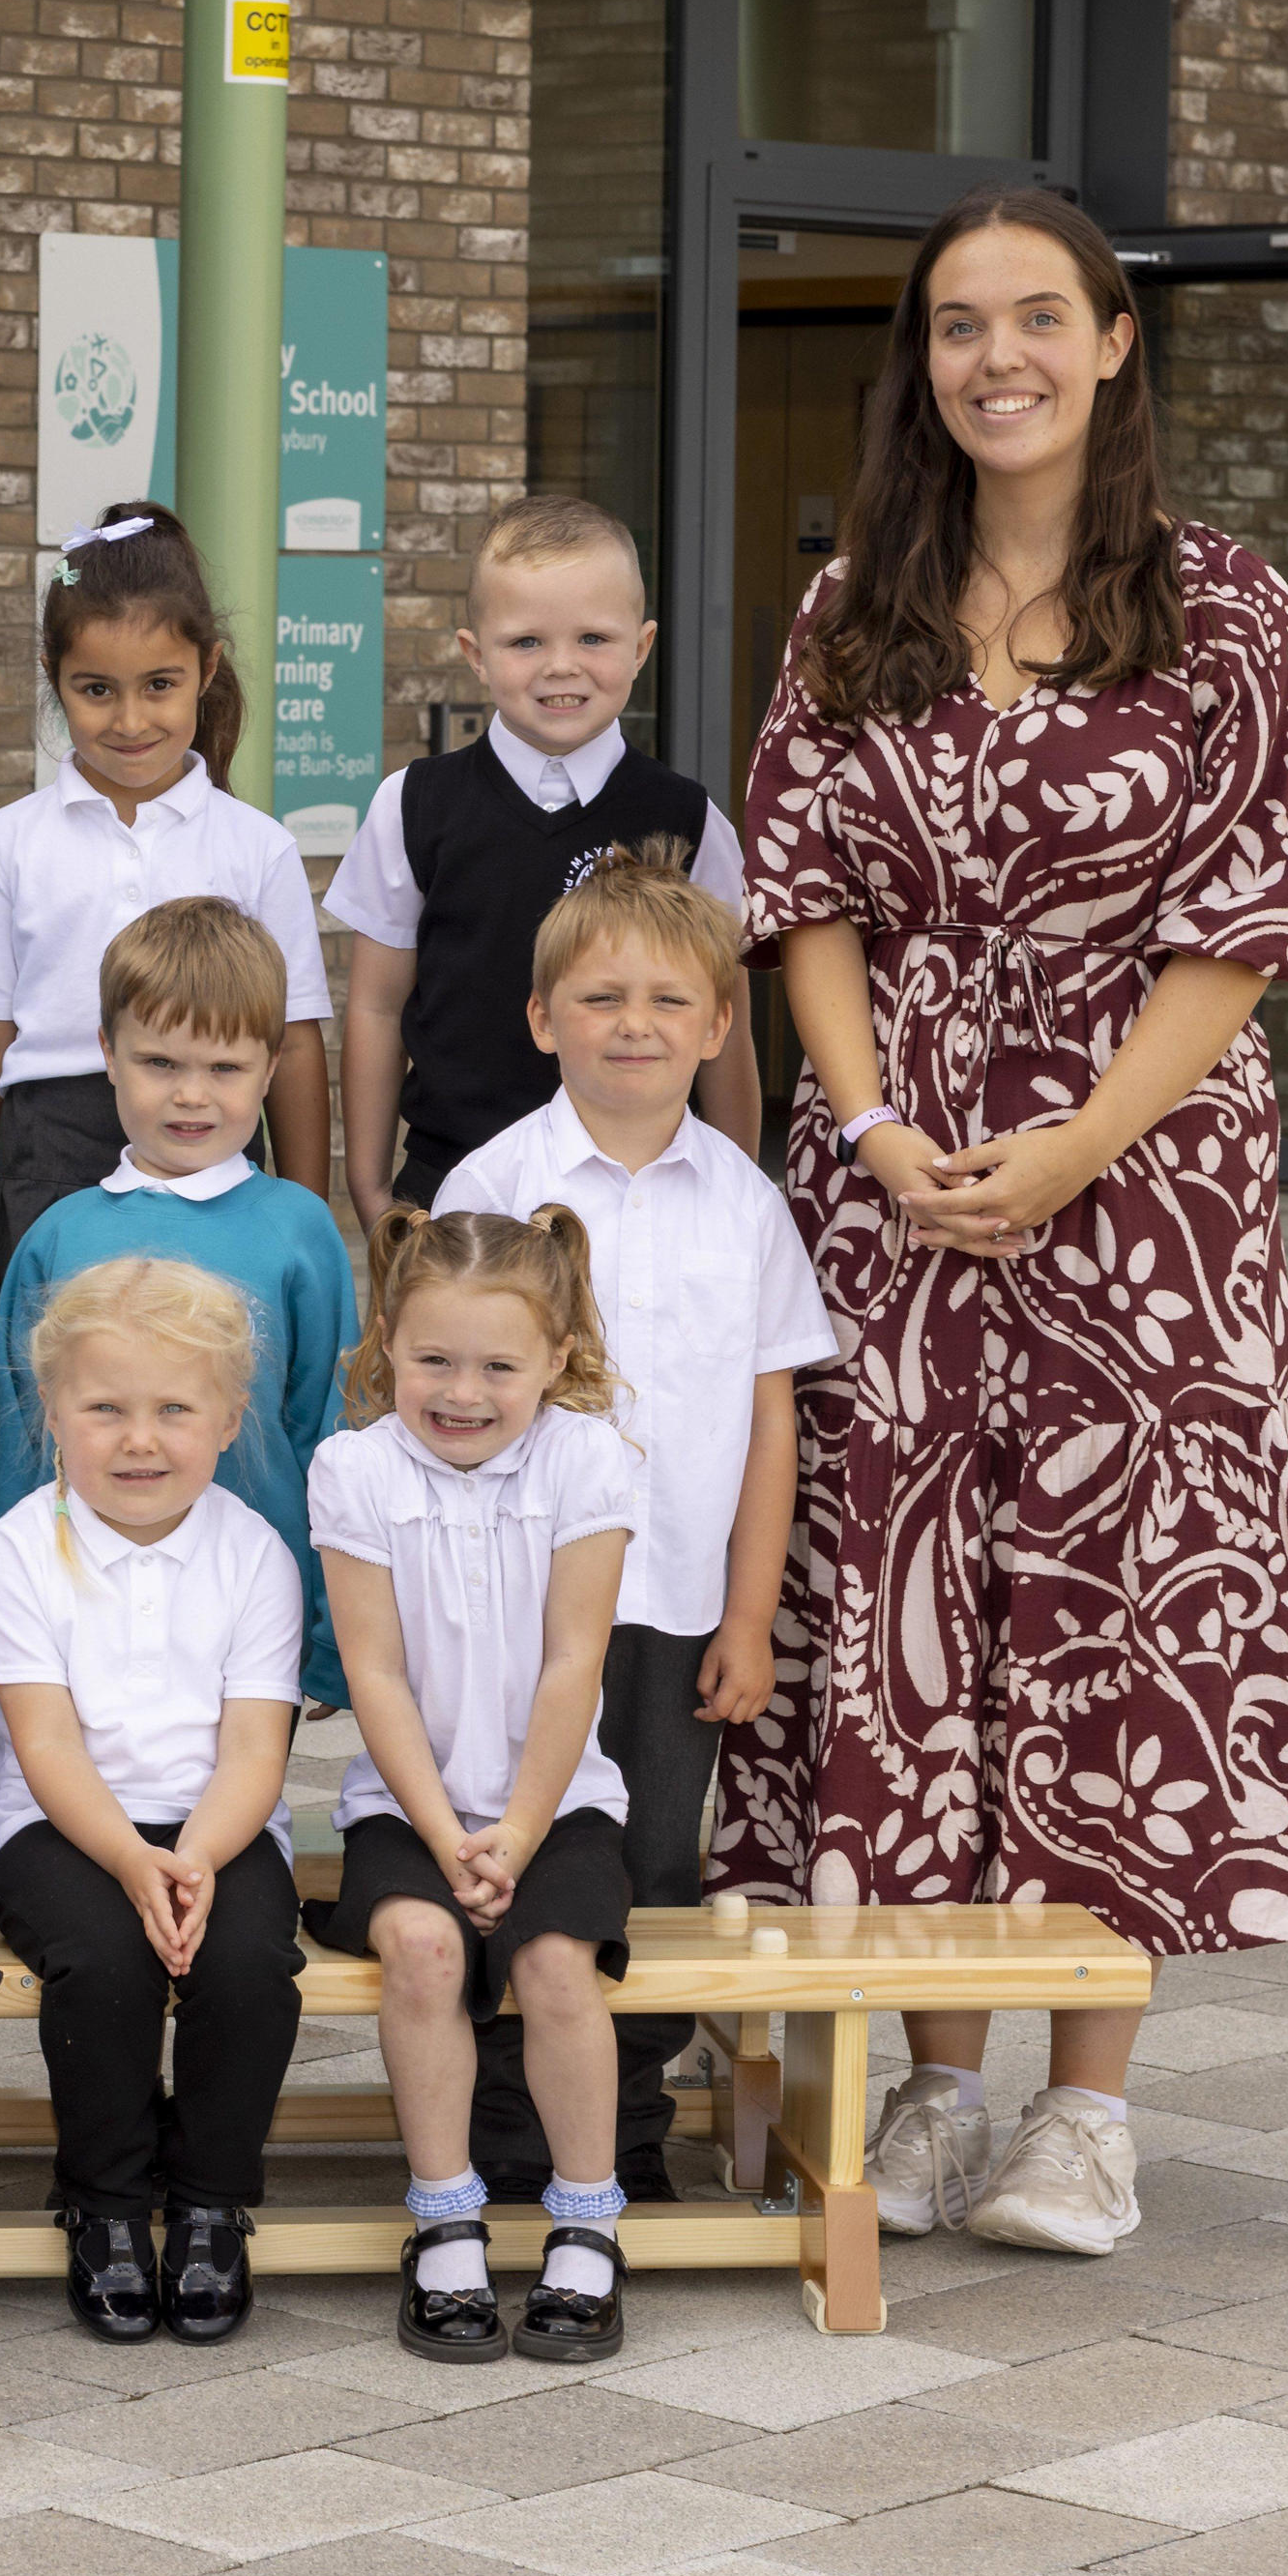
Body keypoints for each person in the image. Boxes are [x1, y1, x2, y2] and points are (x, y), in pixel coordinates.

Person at [719, 186, 1288, 2258]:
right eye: (951, 326)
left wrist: (1077, 1140)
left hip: (1141, 1190)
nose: (990, 357)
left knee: (1106, 1610)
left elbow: (1248, 917)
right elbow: (800, 895)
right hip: (891, 1184)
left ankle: (1084, 2113)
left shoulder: (1226, 608)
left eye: (1031, 320)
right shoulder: (845, 608)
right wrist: (874, 1118)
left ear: (1107, 346)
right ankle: (926, 2081)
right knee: (899, 1605)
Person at [435, 841, 830, 2200]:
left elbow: (770, 1416)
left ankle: (632, 2125)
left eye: (670, 1004)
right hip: (520, 1608)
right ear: (544, 1018)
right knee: (517, 1839)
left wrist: (750, 1611)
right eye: (601, 999)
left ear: (720, 1025)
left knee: (656, 1864)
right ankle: (502, 2124)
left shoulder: (746, 1203)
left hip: (671, 1609)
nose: (634, 1027)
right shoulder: (492, 1188)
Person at [311, 1208, 644, 2366]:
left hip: (555, 1799)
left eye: (498, 1366)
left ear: (555, 1358)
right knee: (421, 1950)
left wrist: (512, 1828)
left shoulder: (587, 1459)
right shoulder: (352, 1469)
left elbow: (572, 1659)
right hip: (407, 1804)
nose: (462, 1391)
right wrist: (447, 1833)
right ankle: (444, 2213)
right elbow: (374, 1671)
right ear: (388, 1346)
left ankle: (585, 2220)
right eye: (431, 1360)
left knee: (555, 1965)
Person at [0, 1256, 306, 2348]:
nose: (138, 1439)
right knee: (105, 1961)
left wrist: (197, 1859)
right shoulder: (21, 1548)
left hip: (222, 1820)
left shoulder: (254, 1555)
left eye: (173, 1410)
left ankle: (210, 2202)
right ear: (51, 1412)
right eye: (103, 1409)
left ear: (226, 1419)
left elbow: (256, 1745)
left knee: (246, 1960)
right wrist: (129, 1860)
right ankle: (105, 2205)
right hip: (62, 1826)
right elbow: (46, 1739)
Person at [328, 495, 756, 1220]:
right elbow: (373, 1005)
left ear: (641, 646)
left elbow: (728, 1019)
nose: (562, 667)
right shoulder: (412, 805)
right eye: (526, 641)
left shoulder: (689, 820)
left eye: (593, 637)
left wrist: (738, 1188)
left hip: (640, 1196)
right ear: (474, 653)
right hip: (450, 1194)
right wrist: (371, 1190)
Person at [0, 500, 335, 1287]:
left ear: (207, 669)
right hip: (45, 1164)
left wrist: (304, 1216)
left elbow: (292, 1048)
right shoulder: (5, 844)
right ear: (55, 679)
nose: (129, 720)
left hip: (215, 1151)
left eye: (159, 685)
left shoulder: (257, 847)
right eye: (95, 689)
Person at [0, 897, 353, 1707]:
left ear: (269, 1068)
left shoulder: (298, 1231)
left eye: (223, 1068)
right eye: (160, 1063)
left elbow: (330, 1433)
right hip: (77, 1611)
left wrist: (328, 1633)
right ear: (107, 1055)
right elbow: (18, 1433)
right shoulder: (57, 1236)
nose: (192, 1095)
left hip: (253, 1620)